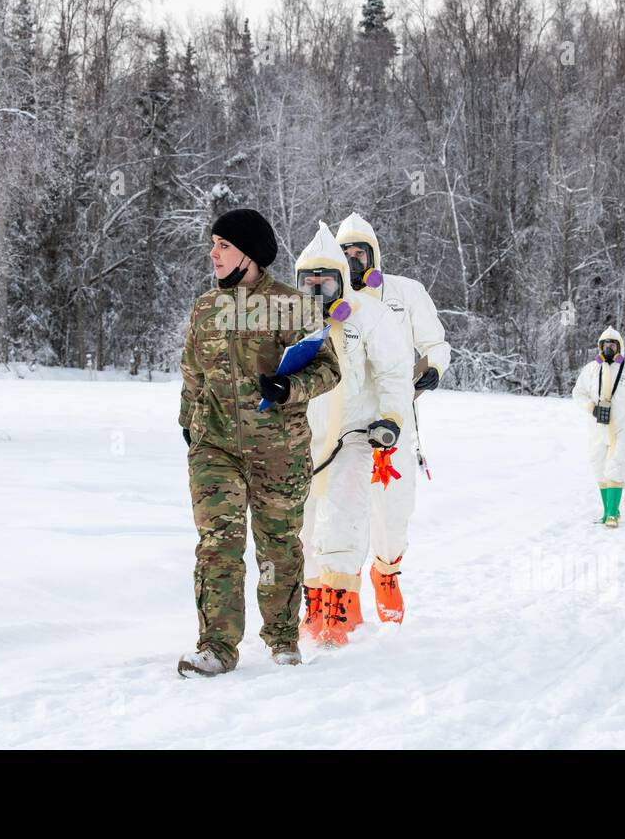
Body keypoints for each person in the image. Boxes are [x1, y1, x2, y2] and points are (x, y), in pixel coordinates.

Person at [177, 208, 341, 677]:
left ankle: (283, 639)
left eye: (223, 245)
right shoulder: (206, 307)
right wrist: (189, 422)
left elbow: (328, 368)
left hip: (279, 450)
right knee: (218, 543)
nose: (213, 253)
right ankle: (217, 647)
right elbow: (191, 373)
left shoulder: (293, 305)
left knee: (279, 546)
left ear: (249, 253)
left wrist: (290, 389)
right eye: (213, 244)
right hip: (216, 448)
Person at [294, 223, 414, 646]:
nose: (317, 292)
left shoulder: (370, 316)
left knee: (344, 520)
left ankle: (342, 606)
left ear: (340, 280)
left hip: (354, 438)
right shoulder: (288, 322)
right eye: (308, 283)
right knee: (303, 527)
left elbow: (394, 373)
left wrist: (392, 418)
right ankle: (314, 604)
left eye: (325, 282)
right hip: (303, 440)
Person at [334, 212, 451, 620]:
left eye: (359, 251)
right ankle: (343, 594)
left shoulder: (405, 292)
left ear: (374, 254)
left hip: (394, 422)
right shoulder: (332, 299)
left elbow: (435, 342)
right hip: (345, 425)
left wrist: (433, 368)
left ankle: (386, 572)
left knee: (393, 510)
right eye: (344, 252)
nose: (352, 259)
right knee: (344, 511)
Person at [572, 326, 625, 527]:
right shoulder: (591, 369)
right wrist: (591, 408)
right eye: (605, 344)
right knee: (598, 466)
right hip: (597, 427)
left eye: (613, 344)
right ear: (599, 347)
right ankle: (608, 509)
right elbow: (578, 392)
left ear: (620, 347)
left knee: (616, 465)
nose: (609, 348)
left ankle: (611, 513)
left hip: (623, 427)